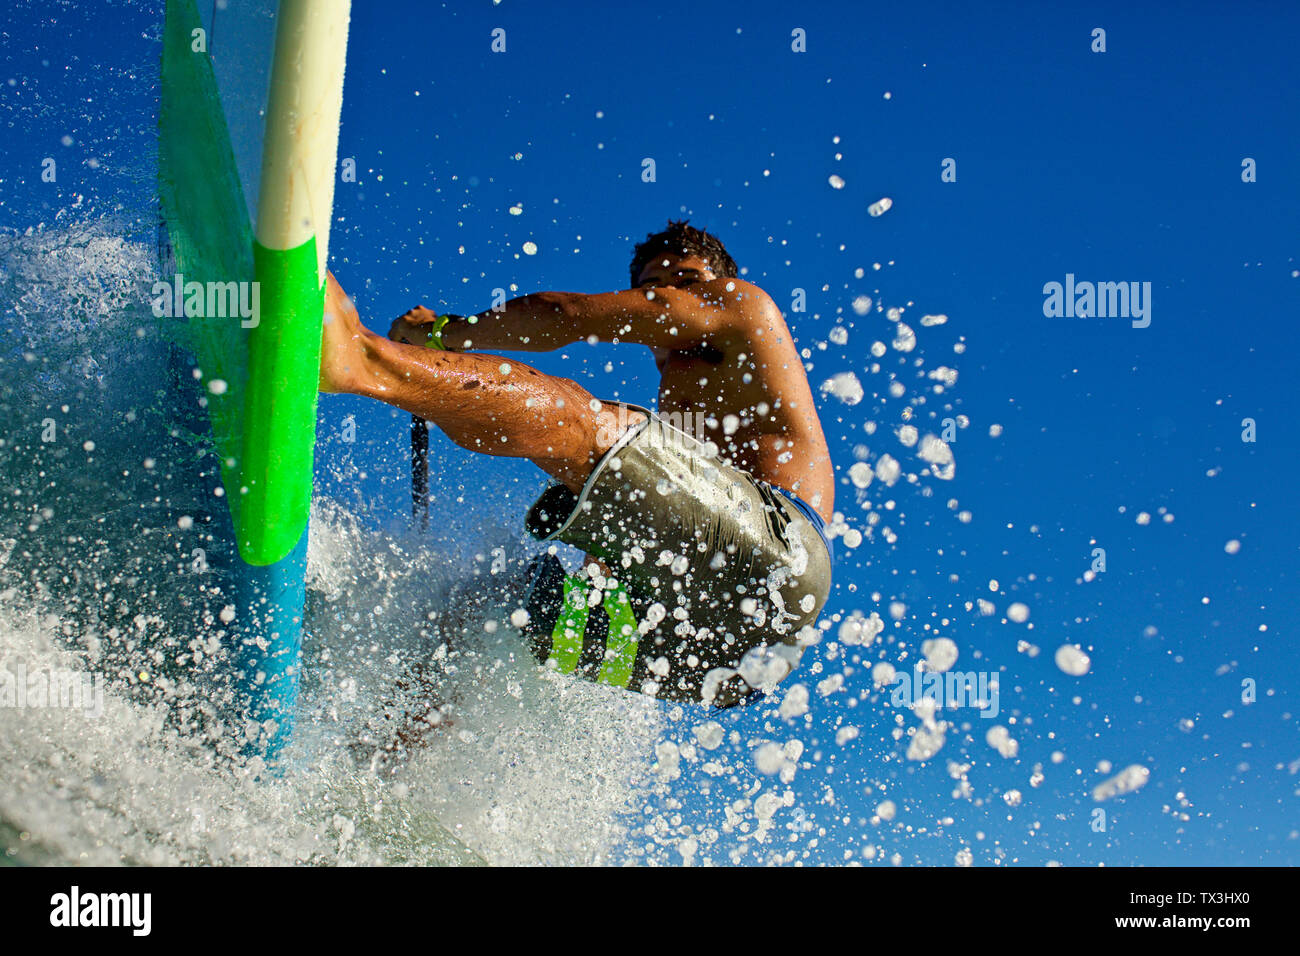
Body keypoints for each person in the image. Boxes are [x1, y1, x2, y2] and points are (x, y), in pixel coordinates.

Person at [320, 220, 833, 710]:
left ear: (717, 285)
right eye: (653, 284)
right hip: (722, 672)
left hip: (784, 560)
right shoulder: (688, 437)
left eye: (687, 280)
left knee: (582, 421)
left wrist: (439, 335)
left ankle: (363, 361)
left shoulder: (742, 304)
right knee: (485, 609)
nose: (670, 294)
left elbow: (565, 313)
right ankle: (384, 774)